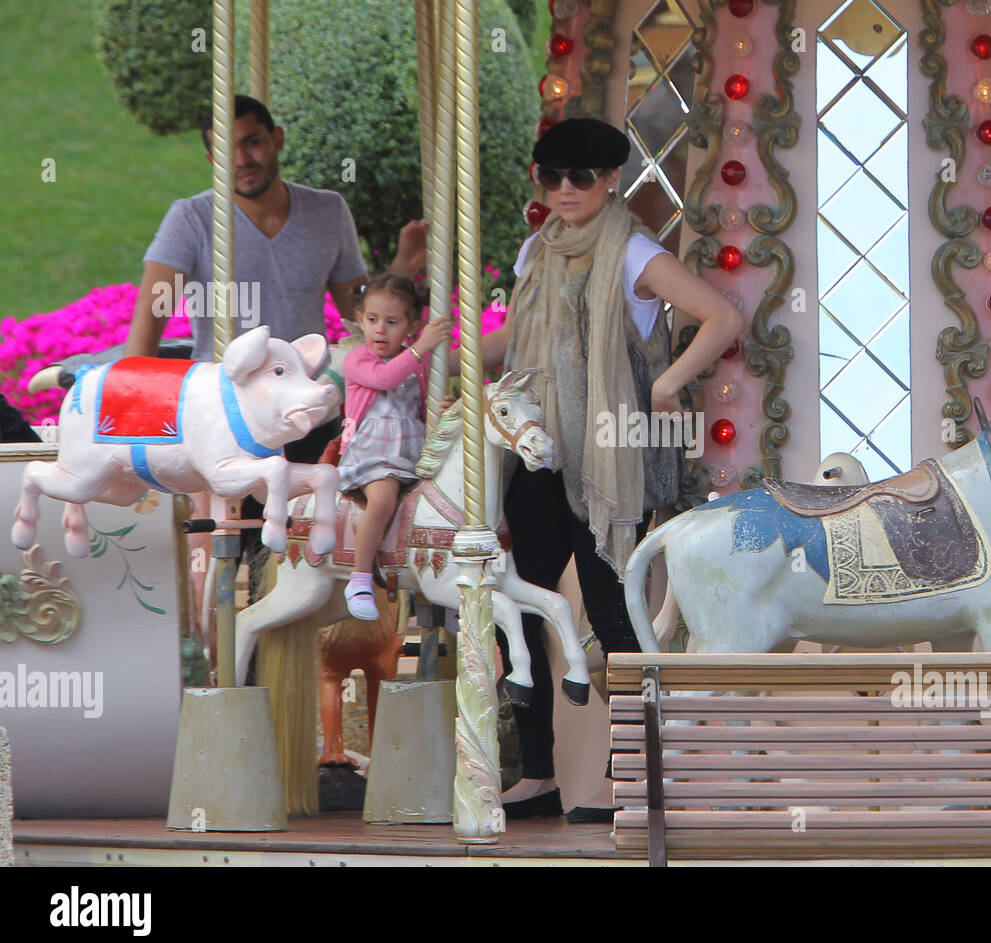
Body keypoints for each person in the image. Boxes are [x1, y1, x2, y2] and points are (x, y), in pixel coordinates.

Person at [459, 118, 746, 820]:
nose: (563, 190)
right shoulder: (539, 249)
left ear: (612, 179)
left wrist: (669, 382)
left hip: (608, 454)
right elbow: (525, 340)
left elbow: (721, 316)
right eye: (550, 176)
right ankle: (539, 770)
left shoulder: (633, 252)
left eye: (579, 177)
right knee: (518, 602)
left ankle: (632, 774)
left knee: (612, 607)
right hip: (536, 445)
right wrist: (459, 352)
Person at [123, 94, 428, 463]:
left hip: (307, 414)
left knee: (313, 517)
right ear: (210, 160)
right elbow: (150, 318)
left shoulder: (327, 211)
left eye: (252, 142)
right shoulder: (190, 219)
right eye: (225, 149)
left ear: (277, 139)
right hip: (223, 417)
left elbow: (360, 314)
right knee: (231, 522)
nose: (240, 160)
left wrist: (403, 266)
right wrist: (133, 415)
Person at [337, 274, 450, 619]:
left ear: (411, 325)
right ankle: (359, 579)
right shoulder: (358, 359)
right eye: (372, 320)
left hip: (412, 455)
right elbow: (385, 379)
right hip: (373, 455)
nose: (380, 330)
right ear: (360, 320)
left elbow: (421, 409)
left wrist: (442, 410)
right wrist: (422, 347)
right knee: (383, 498)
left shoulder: (418, 365)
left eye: (392, 322)